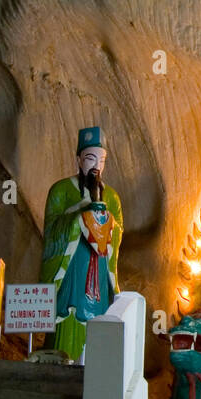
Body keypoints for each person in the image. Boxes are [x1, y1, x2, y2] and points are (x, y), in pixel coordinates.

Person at [40, 126, 123, 362]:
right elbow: (51, 232)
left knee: (99, 321)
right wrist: (79, 216)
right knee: (67, 316)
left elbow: (117, 234)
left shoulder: (112, 197)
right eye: (90, 158)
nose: (96, 165)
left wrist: (104, 221)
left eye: (102, 159)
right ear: (78, 159)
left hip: (98, 272)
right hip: (70, 272)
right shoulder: (60, 190)